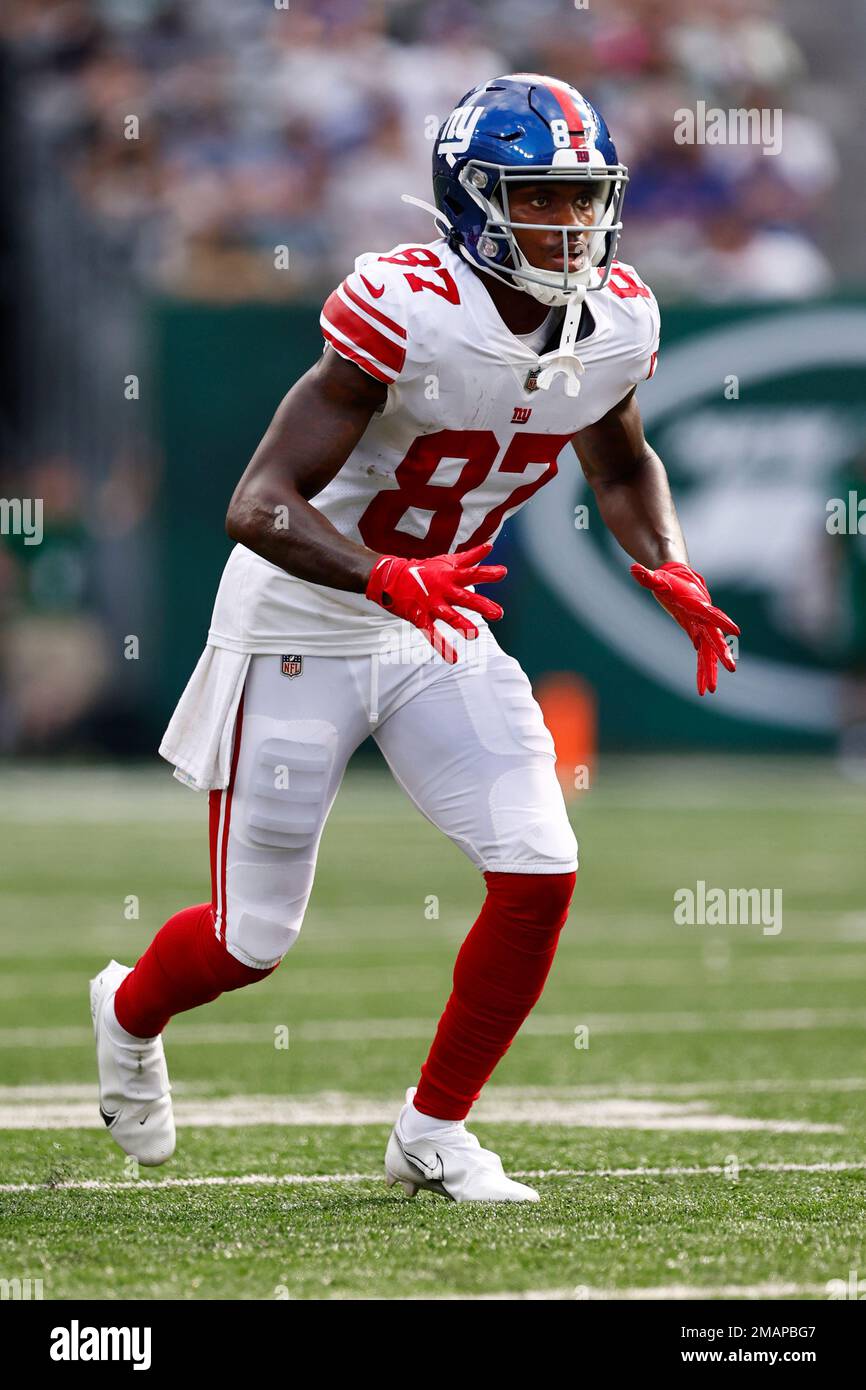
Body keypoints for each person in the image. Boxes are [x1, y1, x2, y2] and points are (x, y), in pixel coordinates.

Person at [90, 74, 739, 1202]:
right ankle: (128, 1009)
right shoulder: (406, 307)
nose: (572, 224)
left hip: (434, 618)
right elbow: (258, 502)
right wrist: (384, 572)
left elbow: (619, 455)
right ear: (475, 199)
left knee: (538, 868)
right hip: (304, 615)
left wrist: (665, 561)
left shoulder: (618, 315)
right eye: (541, 198)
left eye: (584, 198)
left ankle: (430, 1132)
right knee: (251, 941)